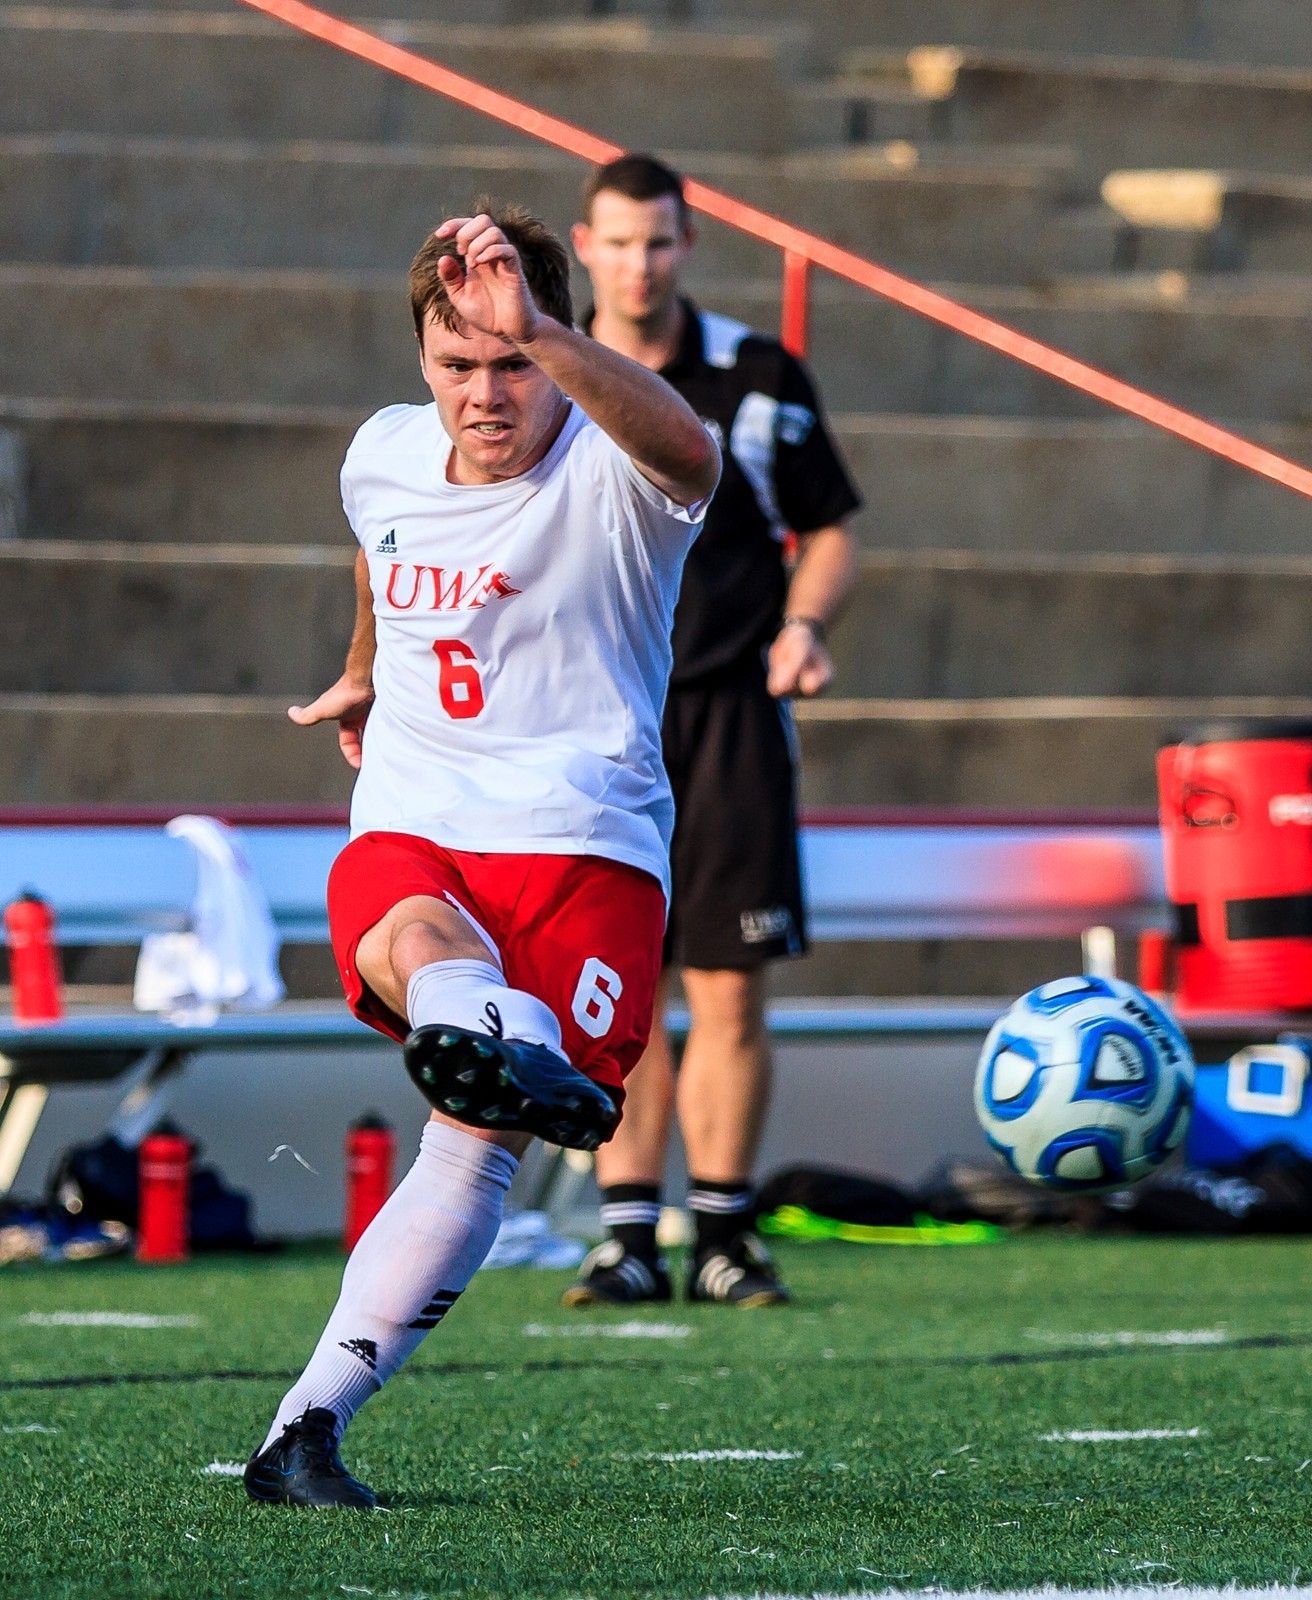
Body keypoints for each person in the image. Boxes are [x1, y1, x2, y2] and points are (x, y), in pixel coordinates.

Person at [242, 201, 719, 1509]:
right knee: (415, 940)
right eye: (458, 364)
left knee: (473, 1146)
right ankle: (496, 1027)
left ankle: (304, 1427)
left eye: (509, 363)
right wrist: (358, 674)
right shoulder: (385, 455)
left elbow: (693, 448)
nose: (485, 394)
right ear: (420, 364)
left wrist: (547, 332)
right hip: (421, 816)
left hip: (585, 845)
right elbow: (376, 547)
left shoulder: (619, 472)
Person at [564, 154, 860, 1310]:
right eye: (619, 242)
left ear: (688, 245)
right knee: (615, 984)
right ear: (585, 249)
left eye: (660, 241)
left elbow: (830, 526)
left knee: (728, 984)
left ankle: (726, 1234)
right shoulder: (548, 376)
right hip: (595, 715)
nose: (640, 263)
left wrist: (806, 625)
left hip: (732, 707)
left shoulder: (756, 373)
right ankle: (627, 1236)